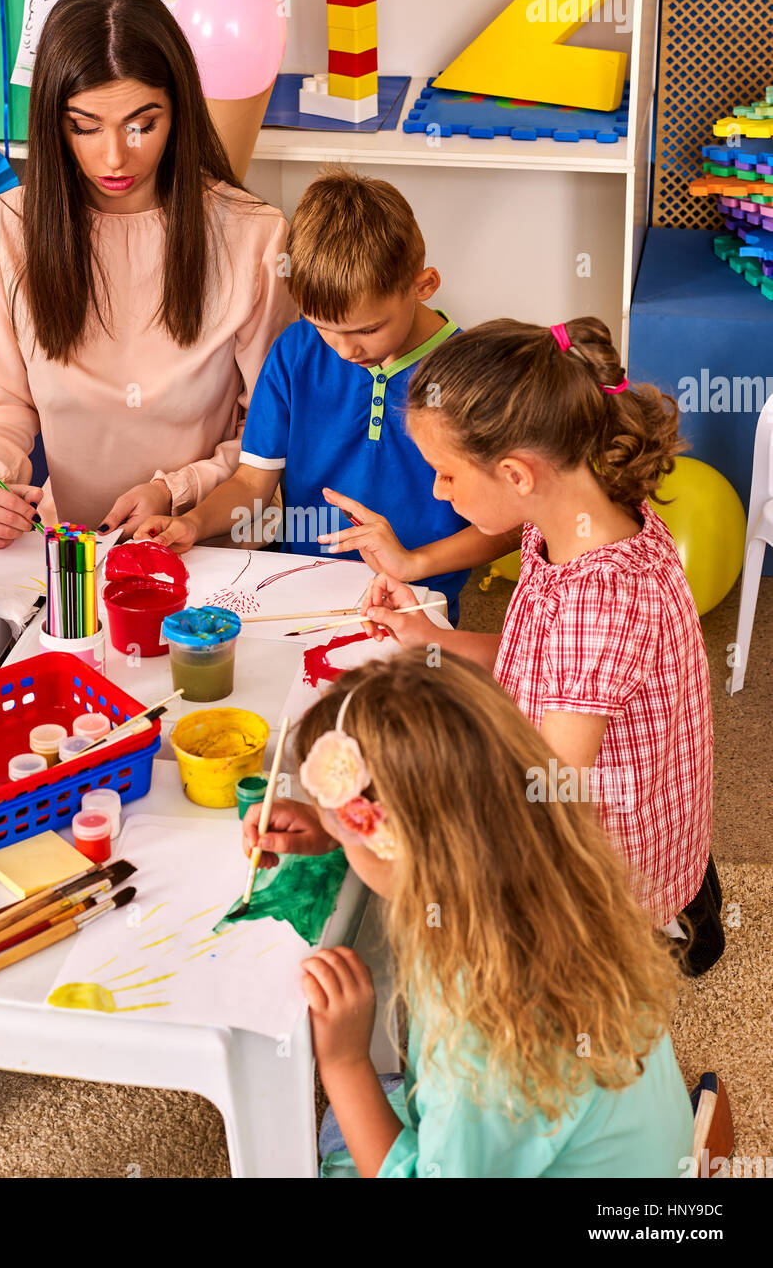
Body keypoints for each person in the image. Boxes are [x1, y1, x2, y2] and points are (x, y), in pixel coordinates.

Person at [357, 317, 720, 971]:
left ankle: (673, 919)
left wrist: (429, 807)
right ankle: (691, 904)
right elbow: (533, 657)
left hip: (610, 856)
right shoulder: (581, 517)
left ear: (517, 473)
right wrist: (430, 639)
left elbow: (547, 794)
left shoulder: (596, 603)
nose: (438, 491)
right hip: (655, 796)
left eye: (444, 474)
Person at [243, 653, 694, 1178]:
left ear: (391, 842)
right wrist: (336, 833)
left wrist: (344, 1063)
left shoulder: (482, 1029)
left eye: (342, 820)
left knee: (334, 1136)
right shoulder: (555, 870)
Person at [0, 0, 296, 546]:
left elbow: (271, 434)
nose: (114, 157)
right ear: (52, 123)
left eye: (142, 125)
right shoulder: (10, 227)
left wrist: (176, 490)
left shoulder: (253, 234)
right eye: (84, 127)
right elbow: (2, 401)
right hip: (76, 549)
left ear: (179, 111)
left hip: (208, 546)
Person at [133, 170, 515, 624]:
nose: (346, 350)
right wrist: (192, 523)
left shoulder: (475, 374)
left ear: (423, 285)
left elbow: (513, 528)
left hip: (418, 598)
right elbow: (253, 484)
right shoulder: (295, 352)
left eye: (367, 329)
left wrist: (413, 564)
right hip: (301, 589)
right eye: (323, 326)